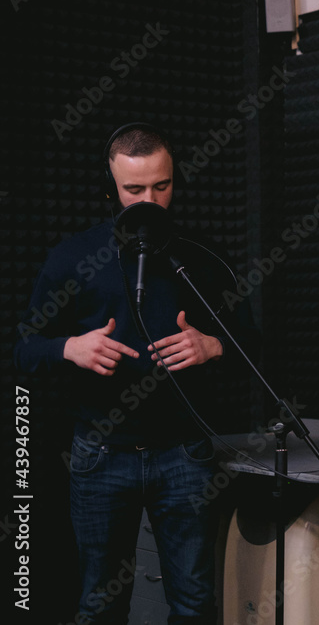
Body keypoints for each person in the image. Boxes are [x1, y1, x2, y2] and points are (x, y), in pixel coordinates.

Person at [14, 123, 246, 624]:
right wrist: (67, 347)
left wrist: (214, 345)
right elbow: (22, 350)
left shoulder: (198, 256)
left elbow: (254, 344)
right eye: (134, 189)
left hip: (184, 455)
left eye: (160, 187)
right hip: (100, 456)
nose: (149, 200)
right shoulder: (73, 257)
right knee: (100, 603)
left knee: (193, 602)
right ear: (111, 188)